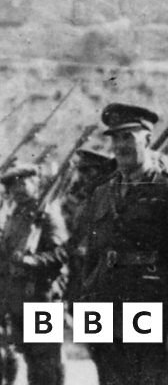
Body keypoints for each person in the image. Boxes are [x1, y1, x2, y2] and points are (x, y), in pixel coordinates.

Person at [73, 103, 168, 385]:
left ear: (148, 139)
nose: (121, 145)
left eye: (128, 137)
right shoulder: (103, 192)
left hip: (152, 311)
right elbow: (92, 258)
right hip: (108, 314)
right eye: (116, 138)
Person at [0, 164, 68, 385]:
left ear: (35, 183)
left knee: (46, 365)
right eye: (13, 185)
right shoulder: (15, 216)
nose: (18, 189)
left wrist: (32, 261)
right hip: (18, 300)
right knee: (31, 363)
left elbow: (62, 253)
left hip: (42, 298)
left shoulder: (47, 213)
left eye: (23, 182)